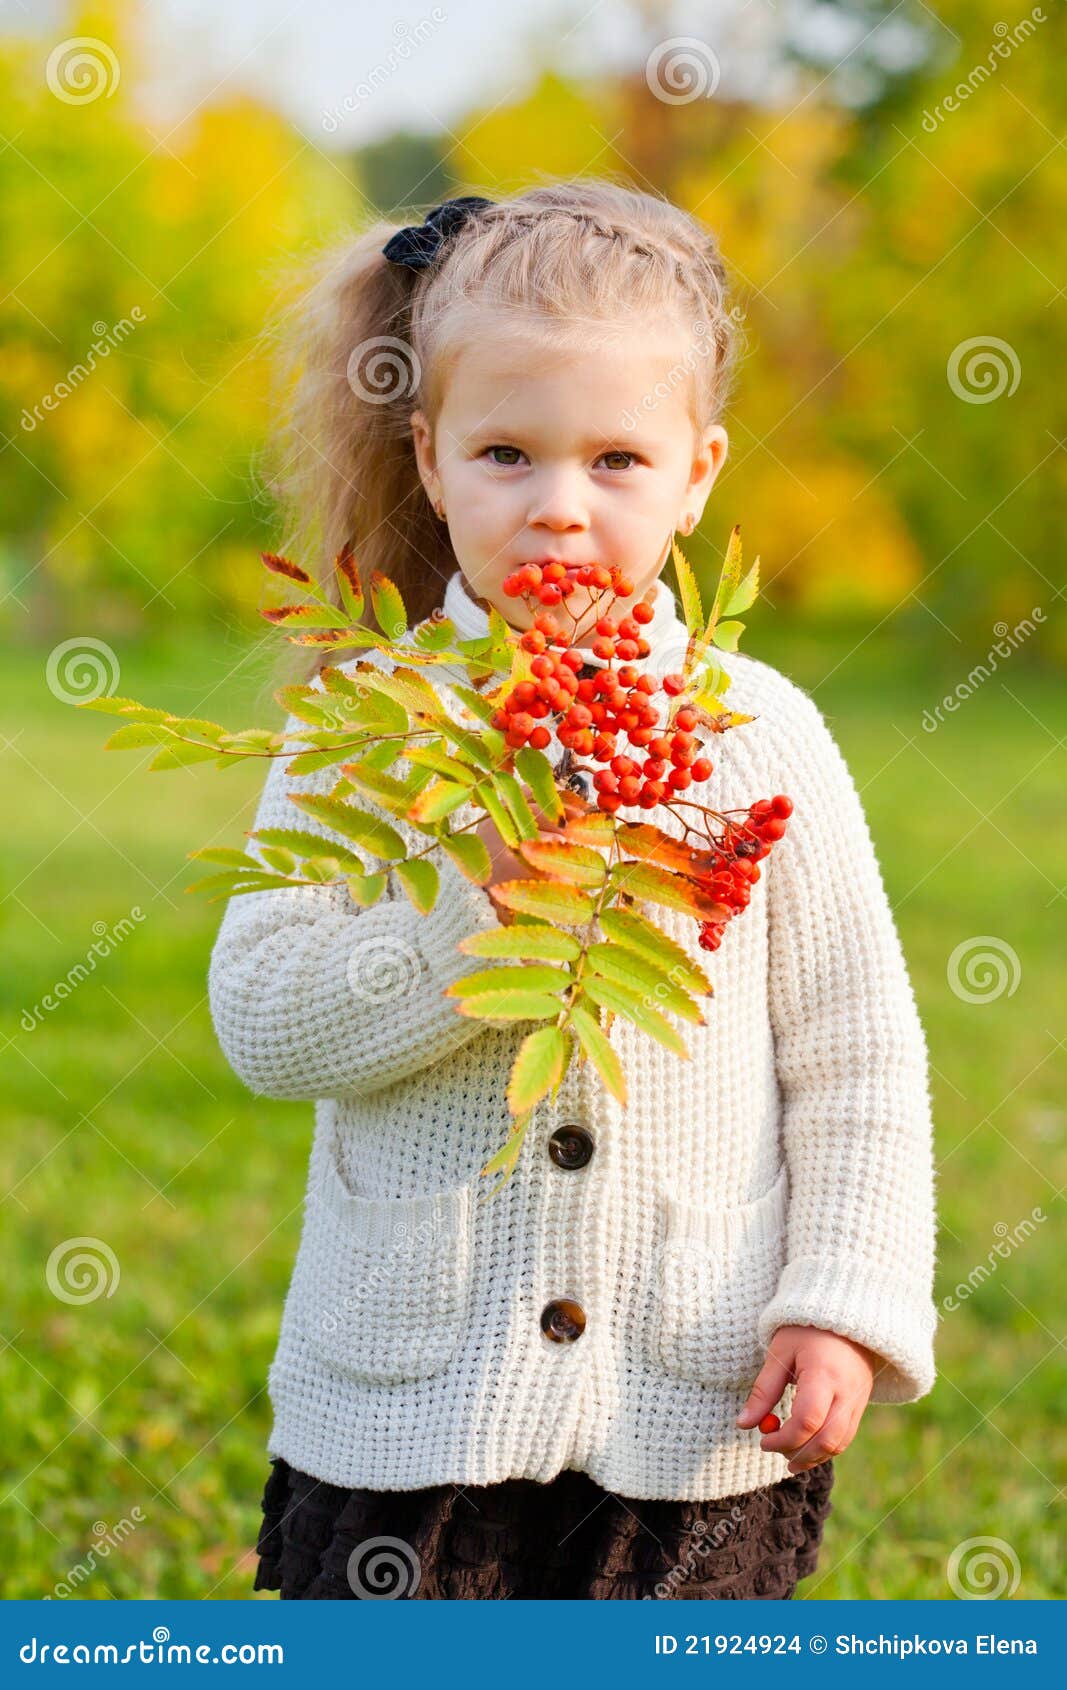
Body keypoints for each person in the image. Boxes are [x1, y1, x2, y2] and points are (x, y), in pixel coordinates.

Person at [207, 181, 938, 1601]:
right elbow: (261, 1015)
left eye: (616, 459)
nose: (557, 507)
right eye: (505, 452)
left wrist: (842, 1306)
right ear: (427, 460)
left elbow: (857, 1052)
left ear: (699, 470)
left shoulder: (752, 731)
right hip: (413, 1420)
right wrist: (460, 927)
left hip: (694, 1411)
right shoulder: (377, 722)